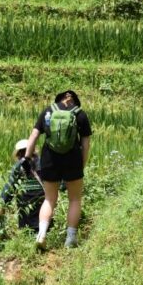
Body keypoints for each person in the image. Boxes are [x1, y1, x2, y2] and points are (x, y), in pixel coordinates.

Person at [24, 90, 92, 249]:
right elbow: (86, 145)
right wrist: (81, 165)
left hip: (49, 160)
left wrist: (27, 158)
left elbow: (33, 136)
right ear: (74, 101)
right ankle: (70, 239)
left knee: (49, 199)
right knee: (74, 199)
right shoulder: (80, 114)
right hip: (72, 160)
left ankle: (41, 234)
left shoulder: (48, 111)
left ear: (60, 99)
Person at [0, 139, 45, 233]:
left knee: (27, 231)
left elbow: (10, 187)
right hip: (43, 200)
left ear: (18, 154)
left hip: (25, 203)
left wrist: (2, 205)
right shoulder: (43, 162)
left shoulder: (18, 166)